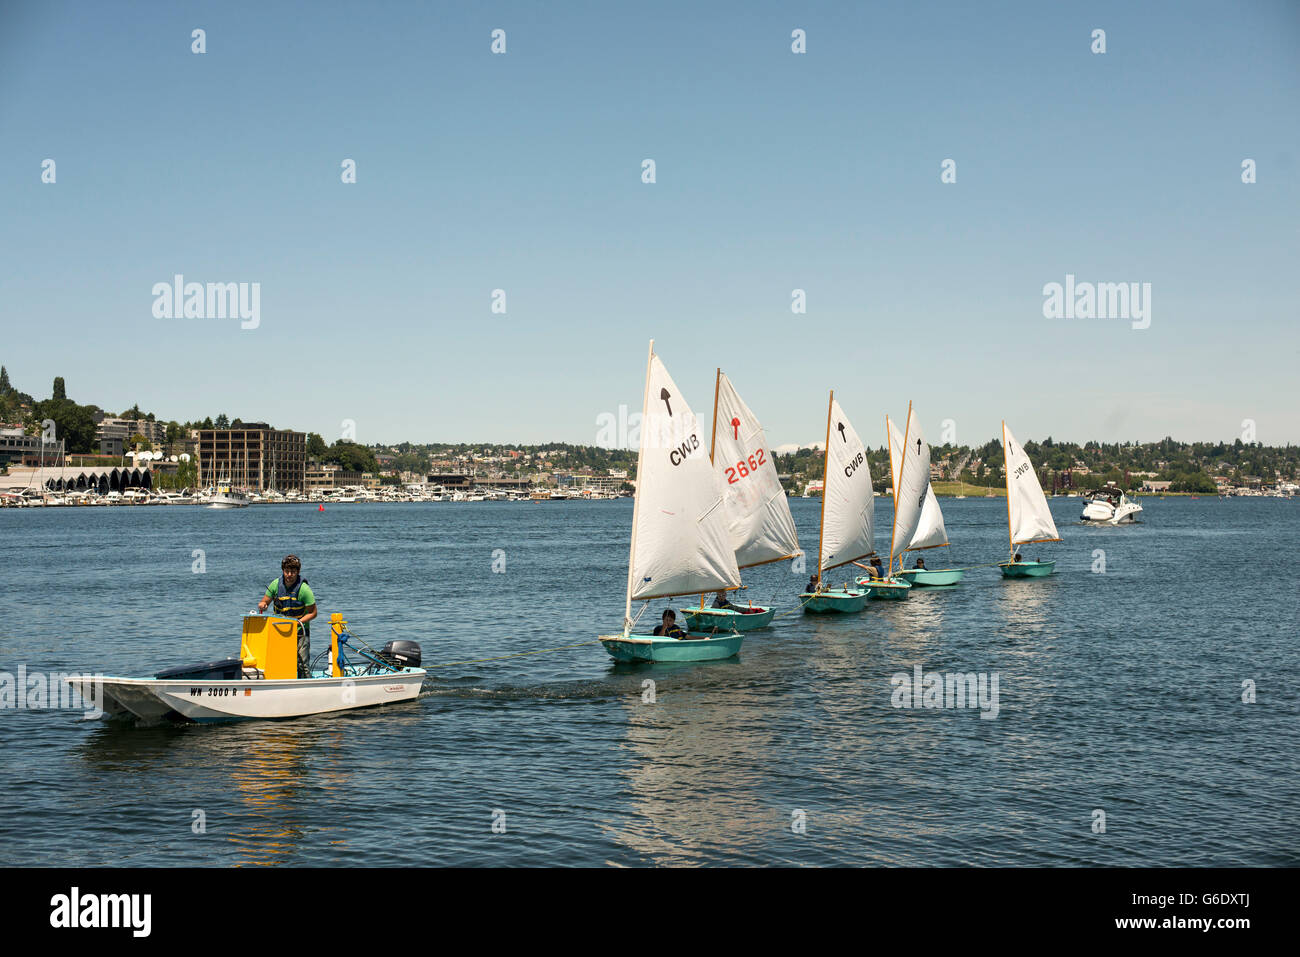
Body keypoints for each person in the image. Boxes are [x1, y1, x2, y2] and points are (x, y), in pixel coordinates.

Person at [257, 554, 317, 677]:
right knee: (279, 661)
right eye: (287, 571)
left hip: (300, 631)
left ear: (298, 572)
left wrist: (298, 622)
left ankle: (306, 685)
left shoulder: (304, 590)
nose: (289, 575)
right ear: (283, 571)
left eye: (293, 572)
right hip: (279, 631)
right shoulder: (275, 584)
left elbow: (313, 612)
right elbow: (265, 601)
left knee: (302, 664)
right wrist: (263, 605)